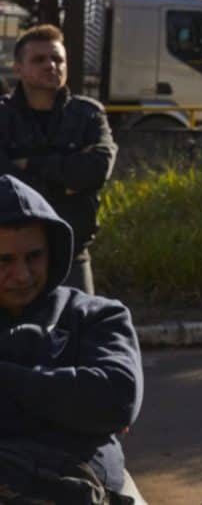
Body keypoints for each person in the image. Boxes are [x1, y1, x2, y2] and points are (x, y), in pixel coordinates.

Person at [0, 174, 144, 504]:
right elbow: (93, 407)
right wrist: (69, 409)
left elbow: (116, 399)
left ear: (52, 252)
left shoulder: (97, 314)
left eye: (33, 256)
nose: (22, 275)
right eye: (4, 260)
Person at [0, 24, 116, 294]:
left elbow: (96, 170)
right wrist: (64, 182)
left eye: (57, 59)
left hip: (73, 255)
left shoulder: (88, 114)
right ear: (18, 68)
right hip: (8, 261)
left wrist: (30, 165)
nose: (51, 65)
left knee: (80, 333)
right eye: (39, 59)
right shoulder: (3, 117)